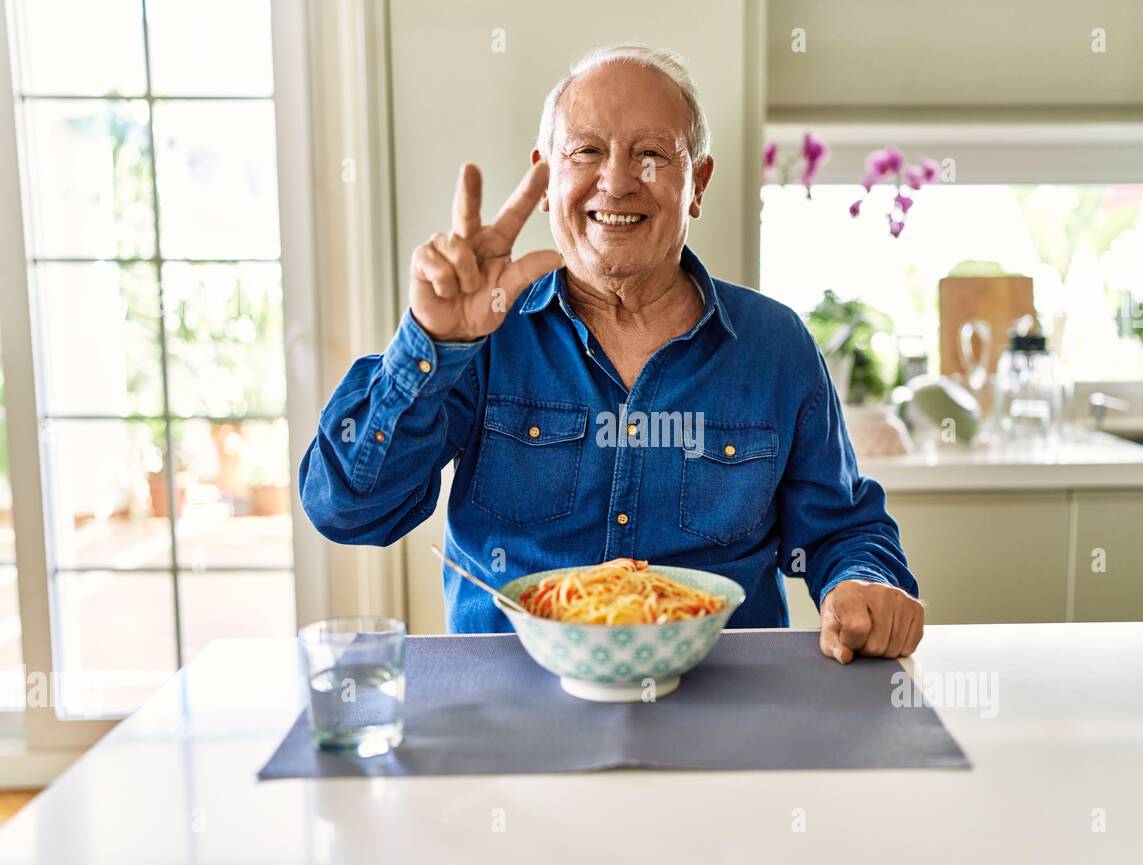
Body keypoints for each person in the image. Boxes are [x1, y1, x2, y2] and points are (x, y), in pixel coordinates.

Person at [301, 43, 923, 662]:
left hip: (722, 709)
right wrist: (432, 346)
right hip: (516, 714)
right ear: (547, 179)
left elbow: (843, 529)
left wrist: (861, 582)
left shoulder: (777, 346)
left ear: (697, 183)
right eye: (587, 151)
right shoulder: (484, 337)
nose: (618, 181)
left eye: (652, 154)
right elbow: (348, 511)